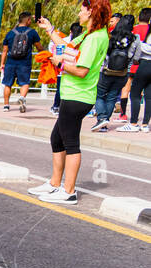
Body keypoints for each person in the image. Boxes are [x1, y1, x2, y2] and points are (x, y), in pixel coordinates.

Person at [32, 0, 112, 204]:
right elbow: (69, 49)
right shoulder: (89, 33)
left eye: (82, 9)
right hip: (72, 94)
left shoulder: (95, 38)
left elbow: (82, 71)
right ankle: (54, 184)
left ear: (92, 11)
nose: (79, 13)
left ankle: (69, 191)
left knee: (70, 143)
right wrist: (49, 29)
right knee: (57, 139)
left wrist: (60, 64)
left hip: (79, 95)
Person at [93, 14, 137, 129]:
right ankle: (104, 121)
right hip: (122, 73)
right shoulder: (134, 39)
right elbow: (136, 58)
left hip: (106, 71)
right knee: (112, 97)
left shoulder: (111, 37)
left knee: (99, 95)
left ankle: (102, 119)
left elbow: (103, 54)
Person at [1, 12, 40, 113]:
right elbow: (39, 47)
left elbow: (5, 50)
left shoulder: (10, 33)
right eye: (30, 20)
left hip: (10, 62)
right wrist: (46, 55)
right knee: (25, 83)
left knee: (7, 84)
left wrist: (2, 63)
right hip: (25, 63)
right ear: (27, 21)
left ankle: (6, 105)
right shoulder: (32, 32)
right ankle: (22, 98)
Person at [122, 7, 151, 132]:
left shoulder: (134, 31)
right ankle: (145, 124)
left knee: (134, 93)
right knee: (149, 96)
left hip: (140, 64)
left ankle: (133, 123)